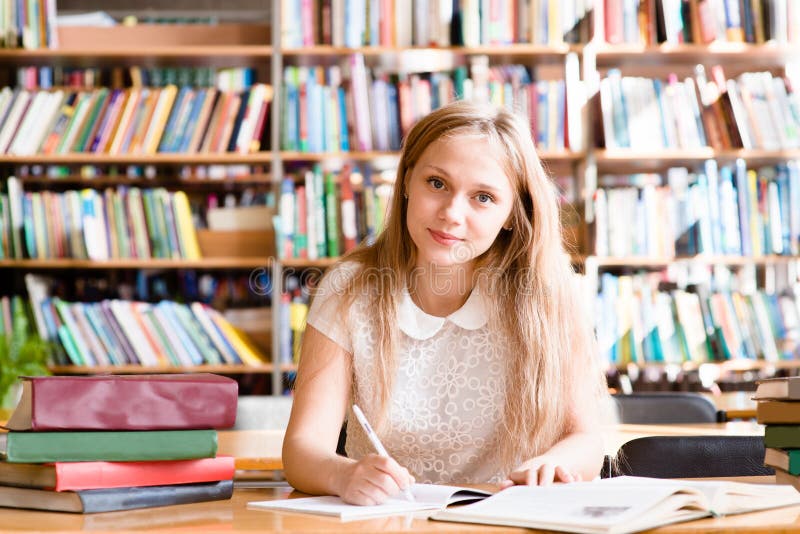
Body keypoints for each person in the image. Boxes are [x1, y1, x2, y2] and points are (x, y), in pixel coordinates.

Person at [282, 100, 612, 505]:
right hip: (385, 522)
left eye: (484, 197)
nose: (452, 213)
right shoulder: (348, 289)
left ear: (512, 213)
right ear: (406, 182)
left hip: (505, 520)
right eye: (436, 183)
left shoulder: (549, 295)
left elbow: (587, 441)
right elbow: (302, 450)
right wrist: (344, 474)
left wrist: (553, 464)